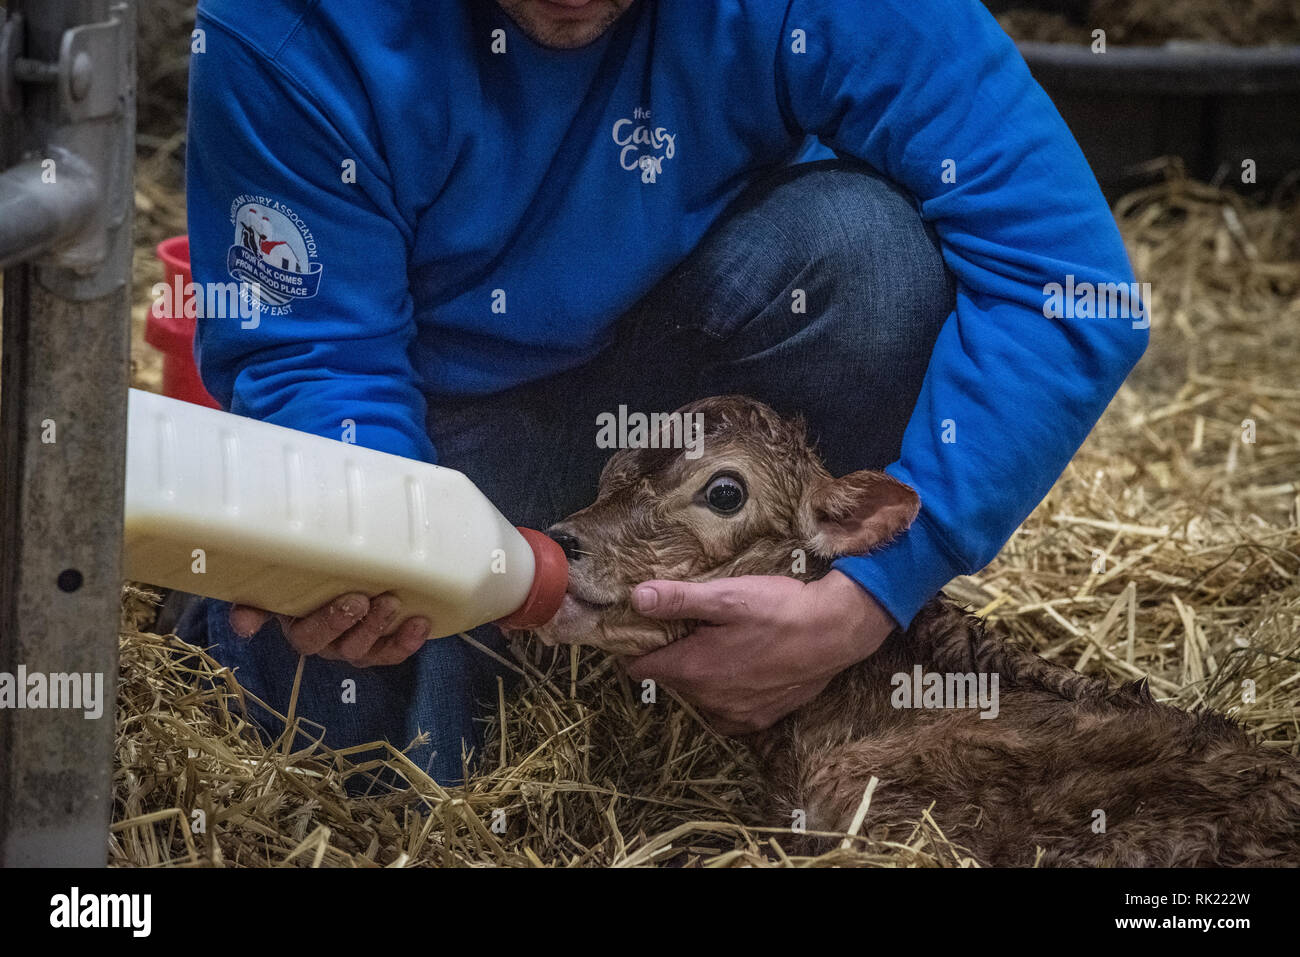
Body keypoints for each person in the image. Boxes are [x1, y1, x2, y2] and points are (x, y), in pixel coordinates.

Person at [177, 0, 1147, 783]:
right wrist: (374, 538)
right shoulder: (287, 25)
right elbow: (318, 356)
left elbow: (1069, 281)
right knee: (343, 774)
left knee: (869, 257)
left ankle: (755, 648)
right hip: (439, 444)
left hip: (680, 422)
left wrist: (869, 592)